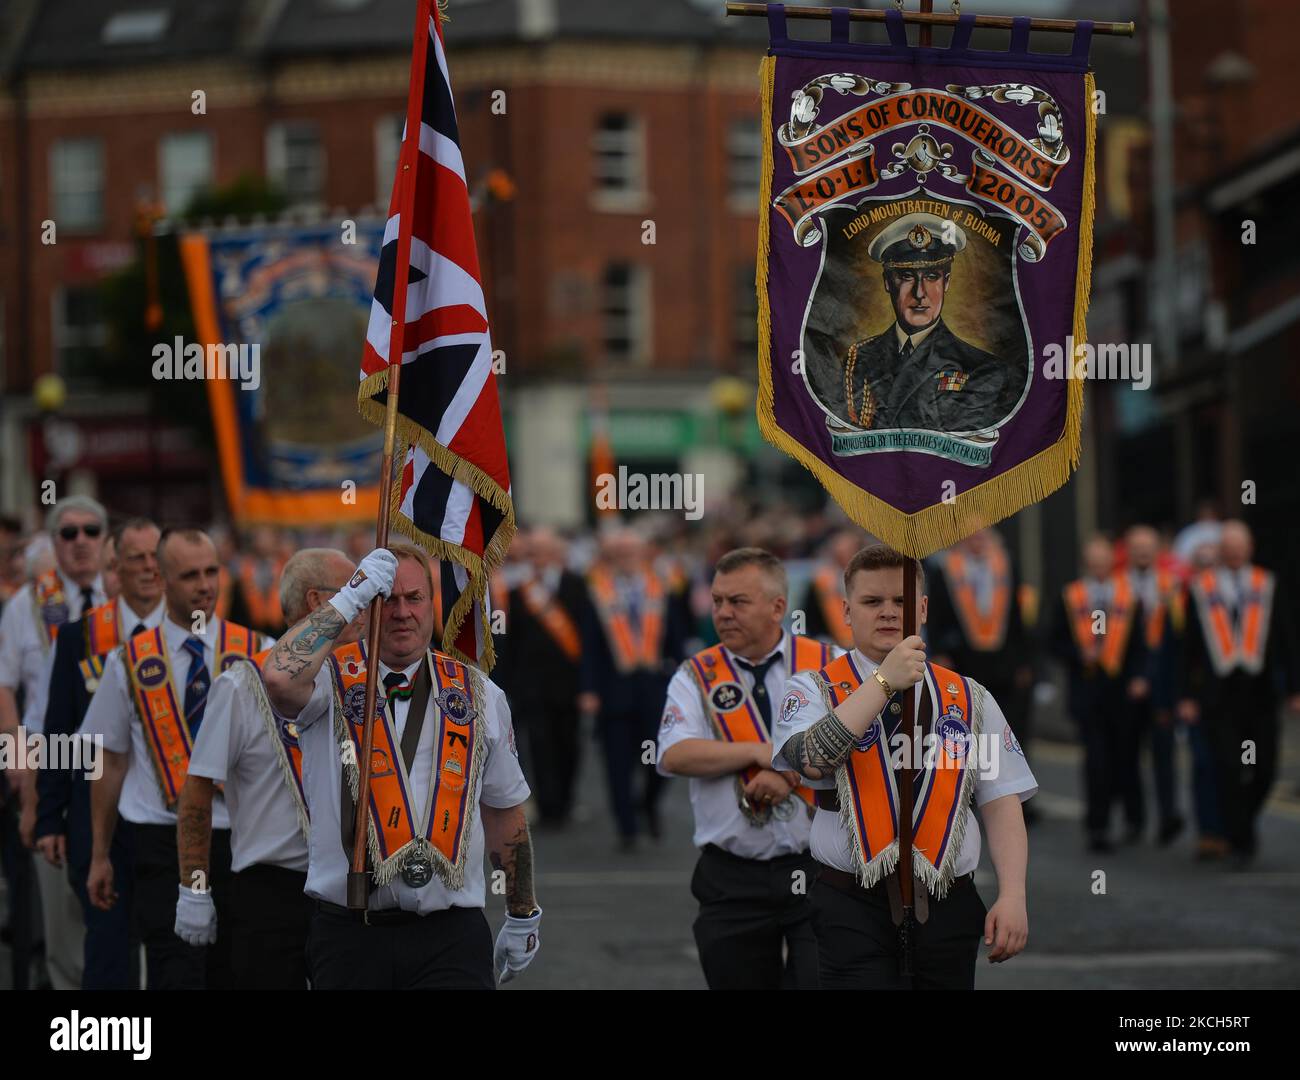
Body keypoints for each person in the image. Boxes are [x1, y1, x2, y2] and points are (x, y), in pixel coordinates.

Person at [260, 543, 540, 990]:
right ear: (365, 608)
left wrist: (522, 909)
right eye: (386, 599)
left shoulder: (478, 694)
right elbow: (276, 675)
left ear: (432, 605)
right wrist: (351, 593)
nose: (401, 612)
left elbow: (504, 810)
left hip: (449, 934)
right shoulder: (327, 680)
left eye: (414, 598)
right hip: (351, 934)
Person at [774, 544, 1034, 989]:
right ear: (847, 611)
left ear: (924, 608)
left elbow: (1001, 800)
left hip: (947, 900)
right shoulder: (813, 687)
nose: (889, 613)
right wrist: (882, 683)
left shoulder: (969, 697)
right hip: (849, 902)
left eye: (901, 601)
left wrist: (1013, 895)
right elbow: (812, 761)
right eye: (872, 602)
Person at [82, 527, 268, 990]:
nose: (205, 585)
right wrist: (100, 854)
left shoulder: (257, 652)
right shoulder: (126, 661)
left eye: (211, 571)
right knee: (175, 973)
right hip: (160, 846)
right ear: (162, 579)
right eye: (189, 575)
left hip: (240, 844)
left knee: (238, 972)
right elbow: (110, 761)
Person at [174, 547, 358, 989]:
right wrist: (193, 890)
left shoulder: (362, 682)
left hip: (349, 888)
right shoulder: (240, 684)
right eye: (357, 596)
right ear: (318, 604)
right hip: (271, 894)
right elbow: (198, 790)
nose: (368, 610)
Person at [658, 547, 838, 989]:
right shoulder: (695, 674)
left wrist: (787, 773)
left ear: (778, 607)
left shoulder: (830, 665)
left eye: (738, 602)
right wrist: (759, 751)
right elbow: (674, 754)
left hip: (820, 867)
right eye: (717, 601)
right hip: (731, 876)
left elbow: (853, 743)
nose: (723, 613)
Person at [35, 517, 164, 989]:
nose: (149, 568)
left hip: (169, 817)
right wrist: (49, 816)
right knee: (108, 948)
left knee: (178, 947)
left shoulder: (198, 636)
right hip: (97, 817)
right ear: (117, 568)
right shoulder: (79, 637)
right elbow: (59, 732)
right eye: (137, 559)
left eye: (156, 558)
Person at [0, 494, 109, 989]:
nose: (81, 542)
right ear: (54, 541)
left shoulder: (122, 597)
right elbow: (5, 688)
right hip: (53, 756)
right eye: (69, 533)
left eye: (91, 531)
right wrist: (19, 771)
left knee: (116, 898)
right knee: (57, 892)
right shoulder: (28, 603)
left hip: (115, 760)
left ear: (105, 540)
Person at [1177, 520, 1300, 867]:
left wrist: (1294, 688)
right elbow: (1188, 648)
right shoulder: (1202, 588)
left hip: (1260, 694)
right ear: (1220, 550)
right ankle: (1240, 840)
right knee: (1228, 768)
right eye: (1227, 546)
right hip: (1219, 697)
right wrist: (1186, 695)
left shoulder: (1268, 584)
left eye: (1238, 546)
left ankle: (1241, 823)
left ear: (1249, 548)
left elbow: (1286, 638)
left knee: (1264, 771)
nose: (1233, 552)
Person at [838, 213, 1021, 433]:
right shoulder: (858, 357)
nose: (919, 292)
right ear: (887, 282)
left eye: (932, 276)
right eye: (906, 276)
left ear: (947, 282)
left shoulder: (984, 370)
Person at [580, 529, 686, 850]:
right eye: (620, 551)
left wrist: (685, 682)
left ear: (644, 553)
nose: (626, 557)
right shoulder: (598, 592)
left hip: (654, 688)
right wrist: (588, 689)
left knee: (659, 759)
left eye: (632, 550)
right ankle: (626, 827)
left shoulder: (663, 588)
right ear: (611, 556)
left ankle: (649, 805)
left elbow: (679, 639)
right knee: (617, 763)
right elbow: (590, 647)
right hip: (613, 690)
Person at [927, 527, 1037, 818]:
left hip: (1004, 663)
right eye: (971, 537)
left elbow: (1017, 617)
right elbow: (935, 616)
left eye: (982, 536)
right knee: (967, 731)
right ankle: (968, 797)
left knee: (1008, 730)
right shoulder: (947, 570)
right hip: (964, 663)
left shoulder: (1005, 566)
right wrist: (938, 653)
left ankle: (1015, 797)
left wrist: (1026, 662)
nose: (977, 541)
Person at [507, 527, 588, 828]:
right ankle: (549, 805)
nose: (536, 558)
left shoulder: (577, 585)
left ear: (557, 554)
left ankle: (565, 800)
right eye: (532, 552)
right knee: (539, 745)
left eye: (542, 551)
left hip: (569, 684)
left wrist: (587, 685)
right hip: (533, 685)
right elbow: (512, 642)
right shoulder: (518, 592)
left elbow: (586, 638)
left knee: (569, 745)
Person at [1123, 525, 1186, 846]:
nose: (1143, 553)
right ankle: (1134, 820)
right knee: (1129, 756)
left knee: (1164, 753)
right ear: (1128, 551)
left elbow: (1181, 641)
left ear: (1158, 550)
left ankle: (1168, 817)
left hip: (1162, 685)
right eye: (1137, 547)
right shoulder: (1117, 587)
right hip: (1127, 686)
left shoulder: (1172, 587)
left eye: (1148, 547)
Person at [800, 528, 860, 649]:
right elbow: (804, 614)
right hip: (828, 642)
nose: (843, 555)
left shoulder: (868, 578)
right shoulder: (821, 580)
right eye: (839, 551)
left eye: (847, 551)